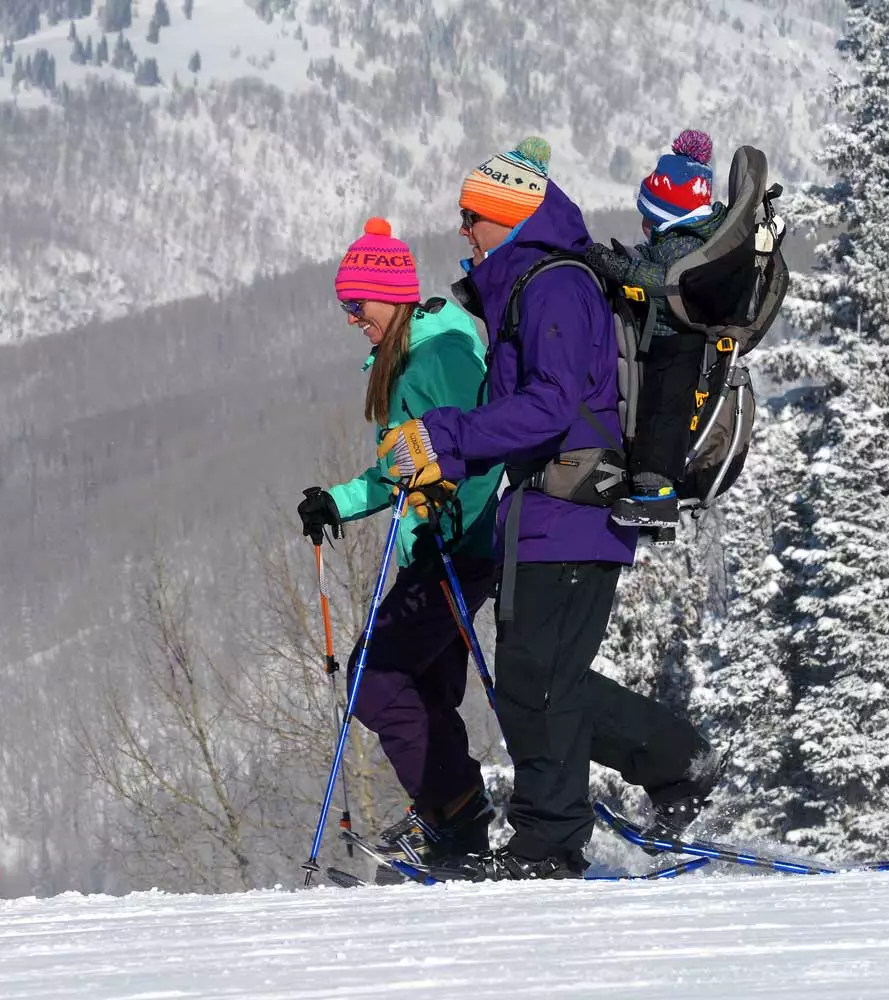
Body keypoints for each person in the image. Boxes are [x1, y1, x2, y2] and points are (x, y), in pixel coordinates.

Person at [377, 138, 722, 880]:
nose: (463, 230)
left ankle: (549, 843)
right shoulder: (534, 283)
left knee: (537, 682)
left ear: (506, 217)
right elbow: (524, 412)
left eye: (472, 215)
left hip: (572, 511)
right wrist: (449, 459)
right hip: (551, 514)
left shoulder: (554, 285)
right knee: (540, 681)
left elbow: (550, 405)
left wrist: (445, 434)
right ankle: (674, 765)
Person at [297, 218, 504, 868]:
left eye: (358, 304)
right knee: (426, 690)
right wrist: (338, 500)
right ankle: (457, 827)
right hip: (446, 546)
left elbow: (480, 441)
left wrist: (452, 504)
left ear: (393, 296)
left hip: (456, 546)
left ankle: (454, 811)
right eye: (345, 307)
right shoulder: (421, 352)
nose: (352, 318)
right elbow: (400, 467)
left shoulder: (437, 357)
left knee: (373, 679)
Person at [585, 129, 727, 529]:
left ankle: (656, 494)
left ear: (669, 214)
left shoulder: (683, 248)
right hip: (671, 337)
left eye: (650, 220)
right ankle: (650, 488)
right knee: (656, 413)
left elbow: (657, 279)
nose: (645, 228)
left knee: (662, 416)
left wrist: (608, 263)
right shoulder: (690, 237)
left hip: (678, 341)